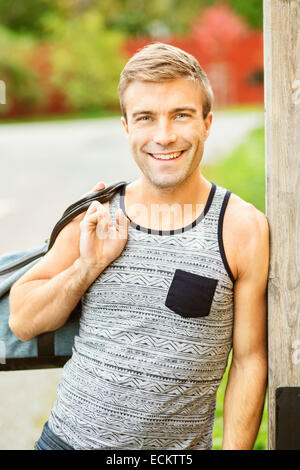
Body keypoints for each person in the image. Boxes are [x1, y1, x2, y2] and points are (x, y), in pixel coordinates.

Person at [9, 43, 269, 450]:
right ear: (128, 127)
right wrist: (86, 267)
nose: (163, 136)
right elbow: (23, 321)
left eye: (180, 115)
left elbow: (250, 360)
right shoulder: (94, 213)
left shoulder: (243, 228)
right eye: (146, 117)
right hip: (63, 442)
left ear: (207, 122)